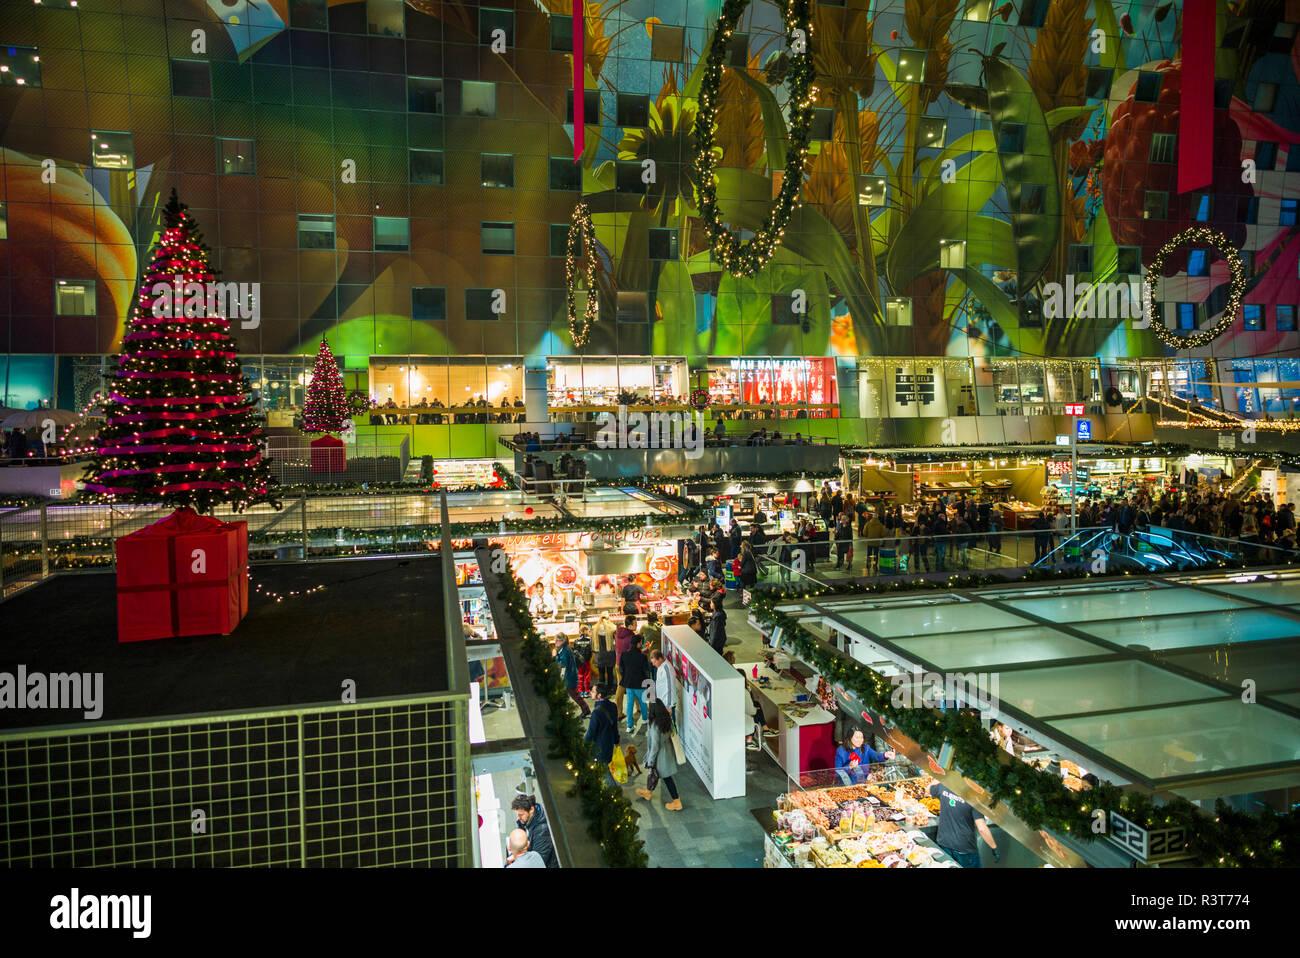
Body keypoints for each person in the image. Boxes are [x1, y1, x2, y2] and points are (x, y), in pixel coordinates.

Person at [929, 780, 999, 868]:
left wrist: (937, 779)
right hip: (965, 850)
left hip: (944, 843)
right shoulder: (975, 798)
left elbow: (929, 789)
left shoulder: (944, 786)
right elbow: (982, 828)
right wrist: (994, 847)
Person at [634, 700, 682, 811]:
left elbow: (655, 746)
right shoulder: (667, 720)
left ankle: (677, 802)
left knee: (666, 778)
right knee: (654, 774)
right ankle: (648, 791)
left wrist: (650, 761)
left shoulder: (655, 725)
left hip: (660, 756)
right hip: (666, 752)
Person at [584, 685, 621, 788]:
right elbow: (615, 726)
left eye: (593, 691)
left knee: (604, 771)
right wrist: (616, 740)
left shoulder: (596, 713)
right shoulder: (613, 706)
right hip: (609, 743)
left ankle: (614, 793)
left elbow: (591, 733)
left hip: (600, 747)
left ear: (599, 695)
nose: (591, 693)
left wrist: (583, 745)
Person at [510, 794, 557, 868]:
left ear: (531, 810)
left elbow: (539, 861)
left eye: (521, 815)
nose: (518, 818)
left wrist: (517, 858)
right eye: (517, 814)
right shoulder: (526, 821)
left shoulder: (542, 830)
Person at [618, 635, 653, 734]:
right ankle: (645, 719)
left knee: (629, 705)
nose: (642, 644)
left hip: (629, 684)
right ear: (638, 644)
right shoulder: (642, 657)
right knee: (642, 703)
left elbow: (621, 669)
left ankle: (629, 726)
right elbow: (646, 671)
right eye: (641, 642)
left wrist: (625, 677)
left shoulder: (624, 654)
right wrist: (648, 683)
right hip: (640, 684)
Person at [555, 635, 590, 717]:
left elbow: (563, 664)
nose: (555, 642)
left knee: (574, 695)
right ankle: (585, 709)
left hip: (569, 677)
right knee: (573, 694)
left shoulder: (564, 650)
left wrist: (556, 656)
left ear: (562, 641)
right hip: (571, 675)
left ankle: (585, 709)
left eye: (557, 640)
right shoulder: (566, 648)